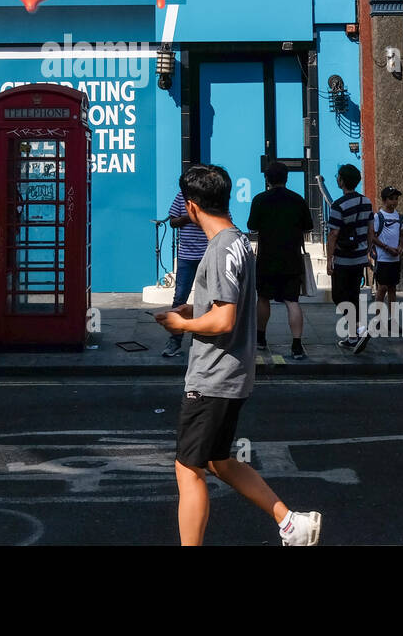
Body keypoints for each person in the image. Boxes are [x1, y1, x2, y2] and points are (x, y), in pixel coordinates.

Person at [154, 164, 321, 547]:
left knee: (187, 469)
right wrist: (190, 312)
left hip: (213, 376)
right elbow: (224, 306)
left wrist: (183, 327)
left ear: (193, 207)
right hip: (233, 373)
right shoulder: (238, 242)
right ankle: (290, 523)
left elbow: (225, 318)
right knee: (218, 461)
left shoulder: (218, 249)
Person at [246, 161, 314, 360]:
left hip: (267, 258)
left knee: (264, 298)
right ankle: (296, 345)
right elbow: (308, 226)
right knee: (292, 301)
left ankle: (260, 339)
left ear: (267, 179)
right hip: (291, 258)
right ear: (286, 178)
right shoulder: (297, 200)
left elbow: (252, 225)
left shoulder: (260, 200)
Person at [326, 164, 373, 354]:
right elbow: (371, 229)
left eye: (338, 177)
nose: (337, 179)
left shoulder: (339, 205)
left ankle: (359, 329)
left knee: (339, 296)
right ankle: (353, 336)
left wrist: (330, 259)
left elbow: (333, 235)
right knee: (353, 295)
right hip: (359, 257)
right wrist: (367, 251)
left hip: (344, 258)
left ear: (342, 181)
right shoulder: (366, 201)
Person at [162, 186, 209, 358]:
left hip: (207, 254)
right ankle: (175, 340)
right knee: (180, 297)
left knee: (209, 299)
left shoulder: (209, 196)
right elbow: (173, 222)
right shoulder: (181, 196)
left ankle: (202, 340)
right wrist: (189, 218)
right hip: (186, 256)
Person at [370, 186, 403, 310]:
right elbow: (372, 237)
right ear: (384, 200)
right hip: (383, 258)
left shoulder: (399, 217)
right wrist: (386, 248)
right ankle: (378, 318)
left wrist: (401, 246)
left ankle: (392, 319)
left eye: (396, 199)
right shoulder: (378, 217)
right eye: (391, 199)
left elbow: (402, 234)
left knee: (392, 288)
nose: (394, 202)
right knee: (382, 288)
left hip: (395, 259)